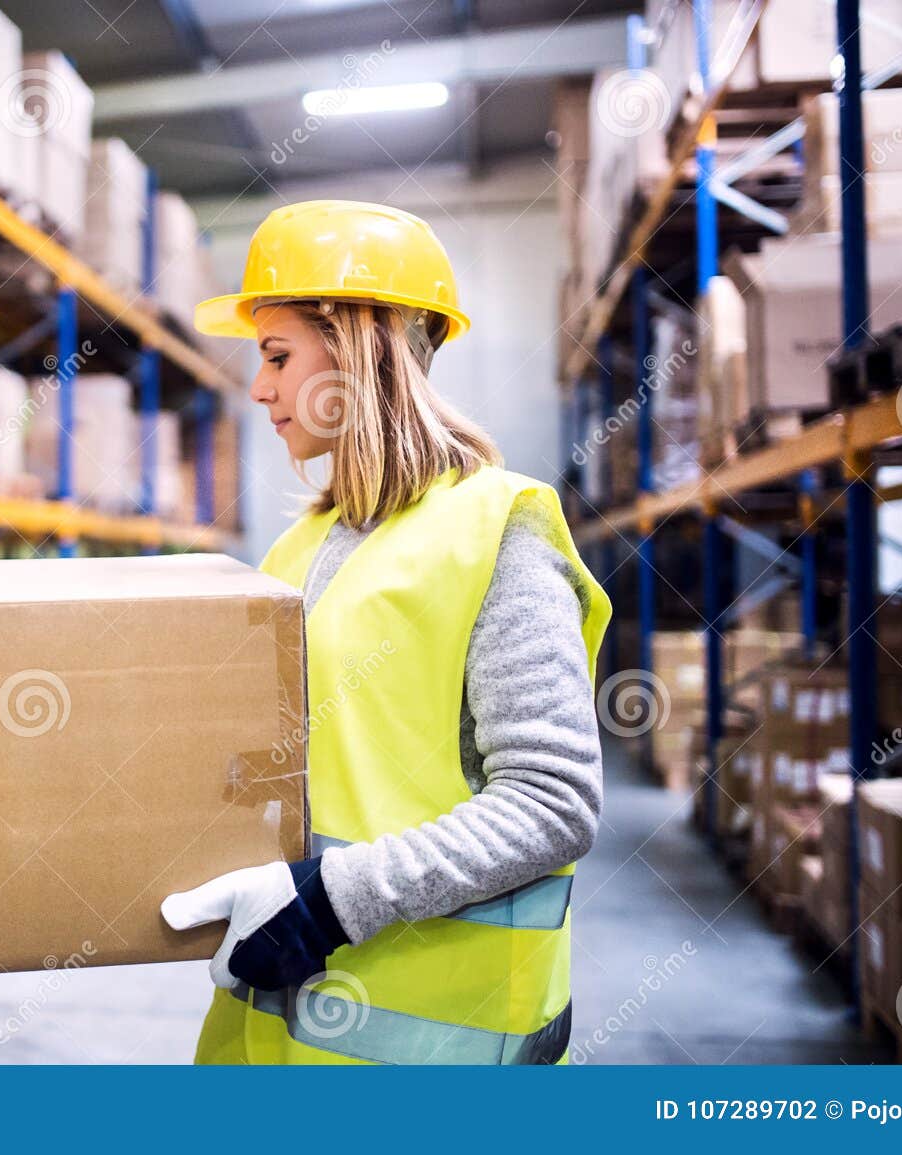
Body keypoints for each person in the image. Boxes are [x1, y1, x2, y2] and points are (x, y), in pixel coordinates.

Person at [156, 200, 610, 1065]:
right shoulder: (301, 545)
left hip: (434, 1051)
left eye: (278, 355)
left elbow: (553, 801)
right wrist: (2, 628)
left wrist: (330, 903)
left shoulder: (498, 528)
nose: (260, 388)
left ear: (359, 345)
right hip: (275, 1034)